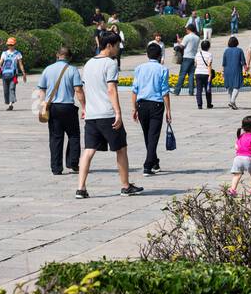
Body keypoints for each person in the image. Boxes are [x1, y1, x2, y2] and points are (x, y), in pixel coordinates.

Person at [76, 30, 141, 198]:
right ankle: (125, 186)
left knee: (89, 150)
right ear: (109, 46)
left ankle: (81, 188)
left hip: (91, 114)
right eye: (117, 45)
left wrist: (85, 108)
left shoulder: (88, 63)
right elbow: (111, 89)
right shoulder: (110, 63)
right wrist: (118, 113)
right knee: (120, 148)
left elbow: (83, 89)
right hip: (107, 114)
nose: (119, 49)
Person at [37, 45, 84, 175]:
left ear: (57, 55)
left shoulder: (47, 69)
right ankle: (73, 163)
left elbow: (41, 90)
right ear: (69, 57)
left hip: (53, 107)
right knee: (74, 135)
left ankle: (56, 168)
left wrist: (43, 105)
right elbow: (78, 90)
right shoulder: (73, 70)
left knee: (55, 138)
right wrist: (84, 106)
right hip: (68, 107)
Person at [131, 41, 172, 177]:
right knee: (153, 135)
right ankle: (148, 165)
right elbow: (164, 91)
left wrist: (134, 108)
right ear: (160, 55)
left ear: (147, 55)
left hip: (142, 105)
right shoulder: (162, 69)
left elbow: (134, 90)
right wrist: (168, 110)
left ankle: (154, 162)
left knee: (148, 134)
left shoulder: (139, 68)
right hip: (156, 105)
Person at [227, 115, 251, 195]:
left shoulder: (241, 135)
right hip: (248, 158)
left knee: (237, 175)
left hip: (238, 158)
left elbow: (236, 147)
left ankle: (232, 190)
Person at [0, 36, 27, 111]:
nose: (10, 46)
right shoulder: (4, 53)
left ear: (14, 45)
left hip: (14, 74)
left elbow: (20, 64)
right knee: (5, 89)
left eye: (12, 45)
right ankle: (8, 101)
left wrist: (23, 73)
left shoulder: (18, 53)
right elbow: (0, 62)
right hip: (4, 74)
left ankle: (11, 103)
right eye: (9, 45)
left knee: (12, 88)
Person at [175, 24, 201, 96]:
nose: (186, 30)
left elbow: (182, 46)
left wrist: (179, 42)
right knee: (191, 75)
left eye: (186, 29)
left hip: (187, 57)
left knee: (182, 74)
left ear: (189, 29)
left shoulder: (187, 37)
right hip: (194, 57)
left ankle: (177, 91)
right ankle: (191, 91)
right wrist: (181, 41)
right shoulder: (197, 37)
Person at [222, 35, 246, 109]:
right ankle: (232, 101)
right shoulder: (239, 50)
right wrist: (246, 68)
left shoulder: (226, 51)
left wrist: (223, 72)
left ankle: (232, 103)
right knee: (236, 85)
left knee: (230, 86)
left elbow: (224, 62)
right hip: (236, 70)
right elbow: (243, 62)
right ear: (237, 43)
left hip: (227, 70)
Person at [196, 38, 214, 109]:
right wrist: (210, 75)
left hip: (198, 73)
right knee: (208, 89)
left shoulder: (197, 54)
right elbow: (209, 65)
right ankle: (209, 104)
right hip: (206, 74)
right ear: (209, 47)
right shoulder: (209, 55)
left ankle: (199, 105)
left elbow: (196, 63)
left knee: (199, 90)